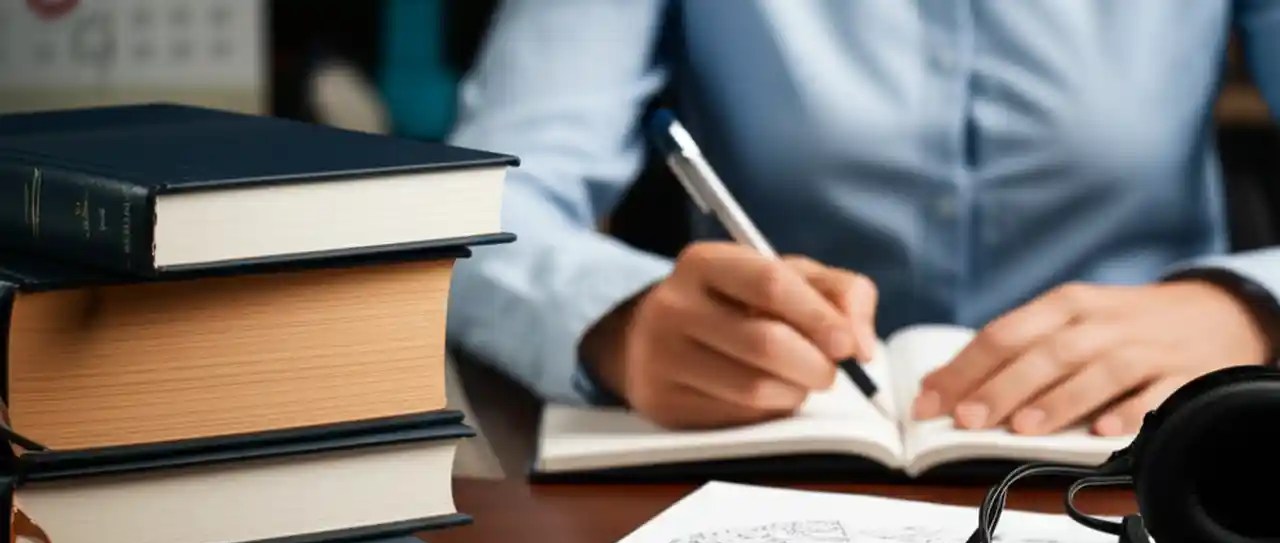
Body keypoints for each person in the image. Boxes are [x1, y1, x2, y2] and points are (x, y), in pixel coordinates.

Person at [444, 1, 1280, 435]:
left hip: (1152, 452)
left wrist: (1245, 309)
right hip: (763, 449)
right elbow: (480, 200)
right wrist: (618, 319)